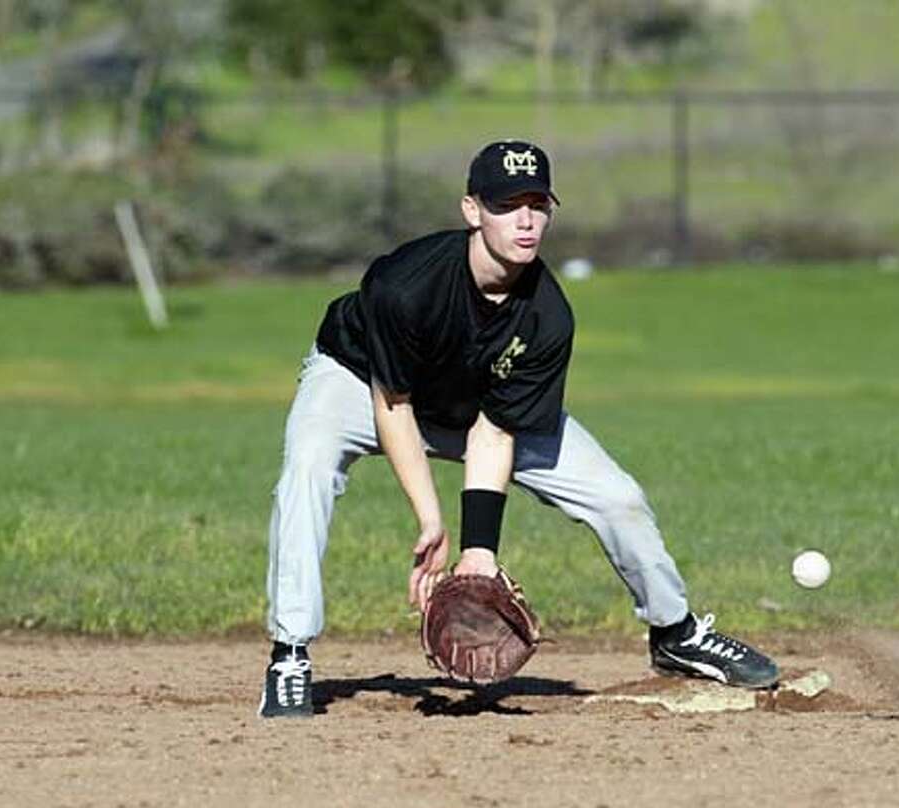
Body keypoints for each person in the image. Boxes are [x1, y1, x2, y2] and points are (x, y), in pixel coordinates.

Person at [258, 140, 779, 718]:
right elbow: (394, 404)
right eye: (507, 205)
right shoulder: (404, 285)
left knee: (618, 497)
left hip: (471, 409)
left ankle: (675, 633)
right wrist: (431, 520)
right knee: (307, 469)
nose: (526, 220)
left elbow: (495, 432)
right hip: (361, 382)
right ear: (471, 211)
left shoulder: (547, 316)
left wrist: (479, 552)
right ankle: (291, 650)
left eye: (538, 204)